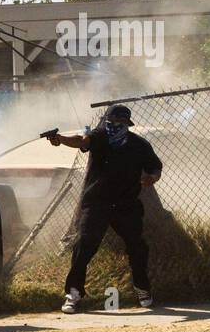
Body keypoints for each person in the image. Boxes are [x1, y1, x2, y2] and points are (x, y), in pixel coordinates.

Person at [48, 105, 162, 314]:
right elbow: (81, 141)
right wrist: (61, 139)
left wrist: (152, 178)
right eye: (110, 123)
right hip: (97, 202)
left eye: (119, 124)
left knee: (137, 246)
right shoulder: (99, 137)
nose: (113, 127)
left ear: (127, 124)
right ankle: (73, 293)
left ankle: (142, 289)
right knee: (84, 245)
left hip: (126, 204)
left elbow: (155, 166)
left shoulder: (139, 145)